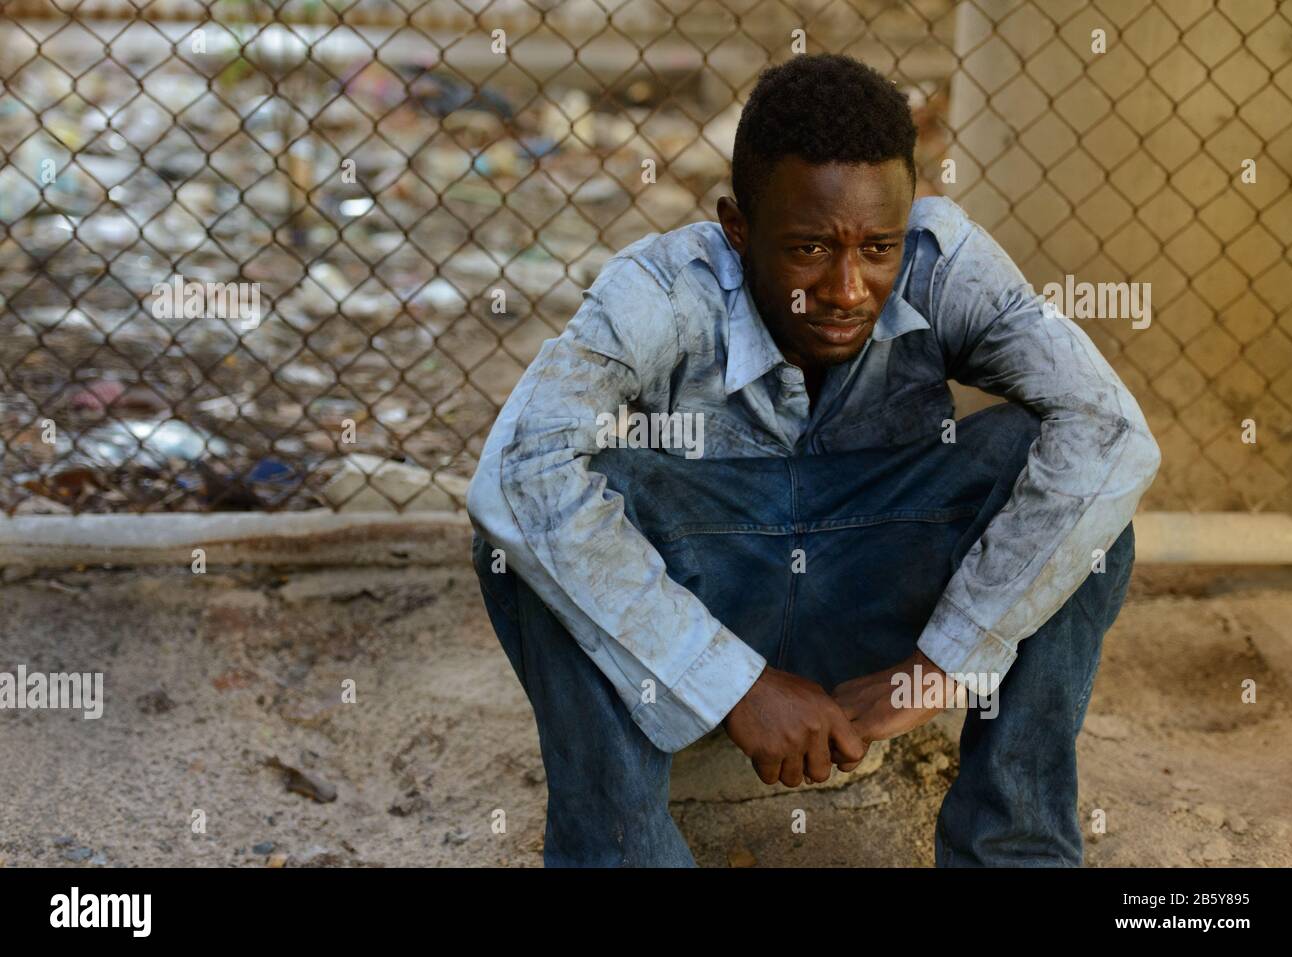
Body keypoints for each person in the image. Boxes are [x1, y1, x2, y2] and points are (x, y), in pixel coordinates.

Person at [466, 52, 1161, 867]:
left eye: (876, 247)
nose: (847, 288)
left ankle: (1013, 852)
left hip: (879, 589)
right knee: (526, 535)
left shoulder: (945, 264)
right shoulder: (660, 291)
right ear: (737, 227)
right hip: (722, 596)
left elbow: (1109, 431)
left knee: (1074, 491)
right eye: (807, 249)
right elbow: (517, 470)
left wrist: (943, 661)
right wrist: (731, 682)